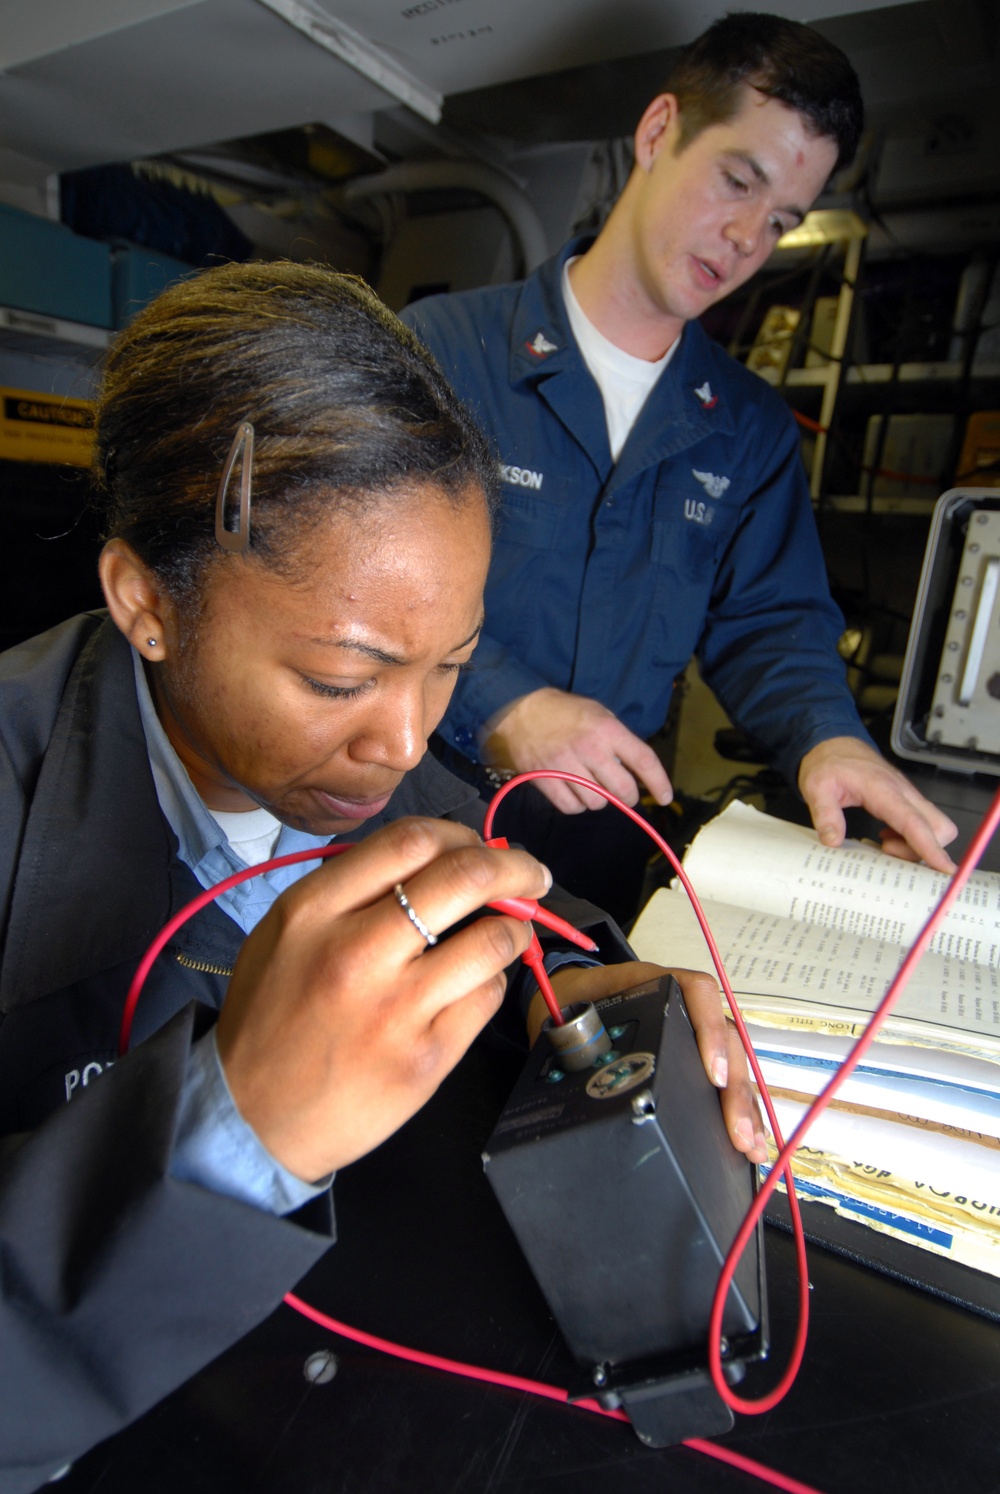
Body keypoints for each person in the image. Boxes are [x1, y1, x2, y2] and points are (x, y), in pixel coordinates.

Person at [0, 261, 763, 1493]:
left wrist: (576, 973)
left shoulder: (372, 762)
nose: (404, 743)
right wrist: (236, 1134)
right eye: (340, 681)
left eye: (449, 665)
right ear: (146, 600)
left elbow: (488, 868)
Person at [401, 11, 958, 921]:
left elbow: (771, 625)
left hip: (606, 850)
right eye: (737, 181)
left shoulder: (747, 430)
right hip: (423, 813)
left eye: (781, 220)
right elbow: (349, 595)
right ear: (658, 132)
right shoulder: (442, 351)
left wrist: (830, 743)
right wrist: (502, 703)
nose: (746, 237)